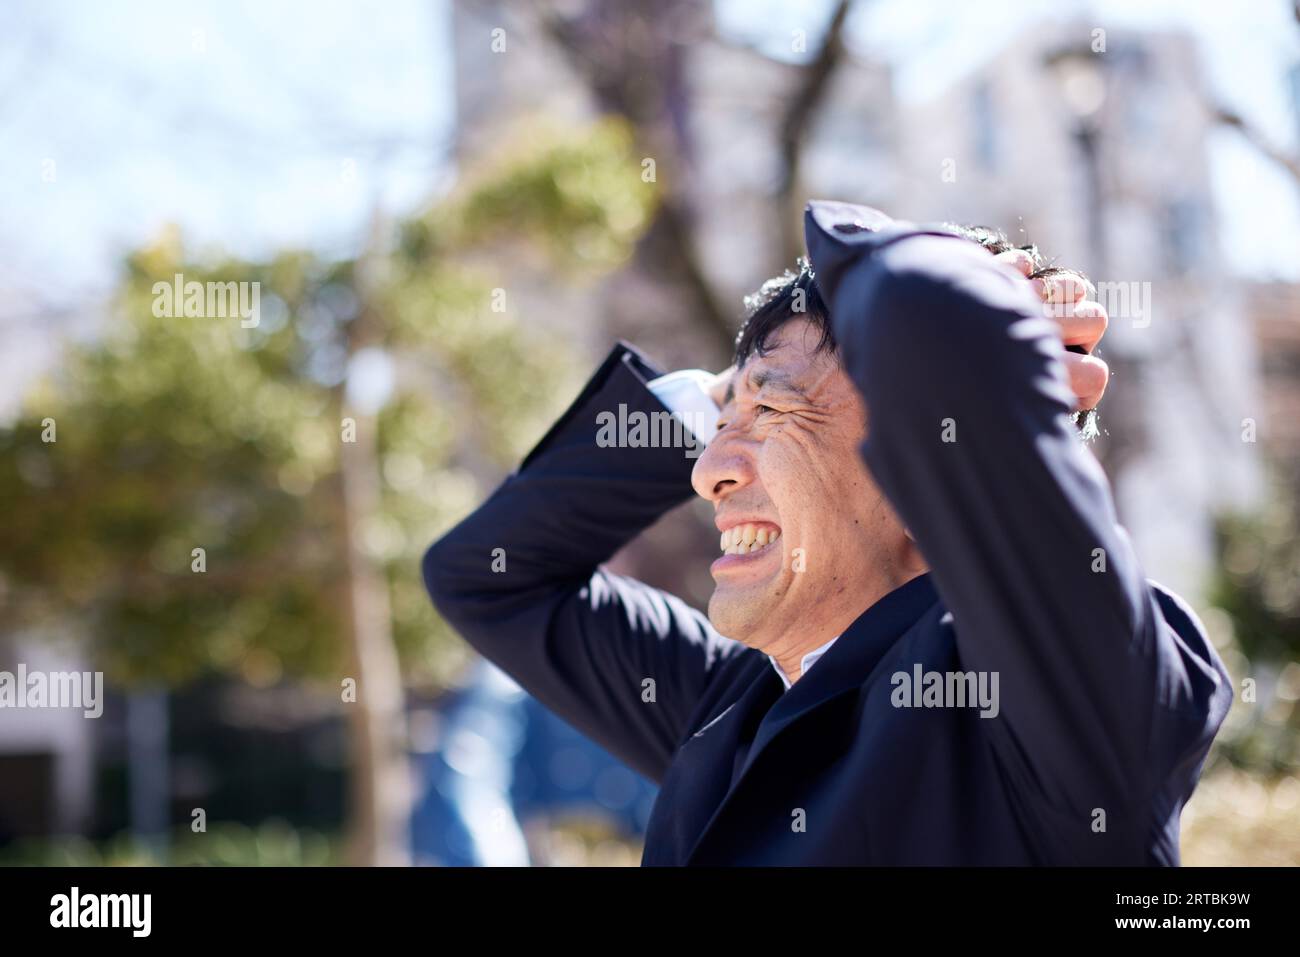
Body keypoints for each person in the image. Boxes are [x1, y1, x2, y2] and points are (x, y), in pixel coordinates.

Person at [423, 200, 1232, 865]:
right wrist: (721, 393)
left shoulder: (1045, 702)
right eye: (719, 423)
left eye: (776, 411)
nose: (707, 474)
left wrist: (930, 280)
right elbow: (490, 577)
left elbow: (918, 301)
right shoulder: (730, 708)